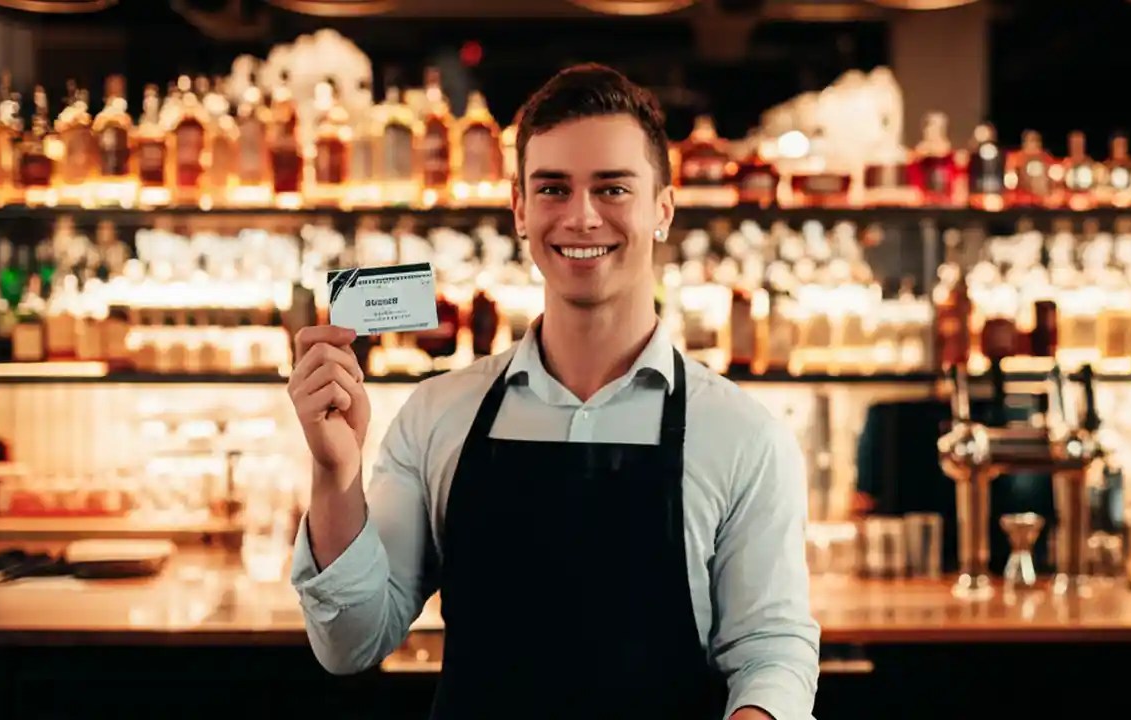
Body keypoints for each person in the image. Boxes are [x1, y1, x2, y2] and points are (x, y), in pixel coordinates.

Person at [286, 63, 820, 720]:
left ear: (663, 209)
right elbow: (351, 642)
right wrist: (335, 472)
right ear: (519, 209)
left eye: (613, 188)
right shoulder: (436, 415)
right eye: (553, 189)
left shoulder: (743, 434)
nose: (582, 216)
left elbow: (771, 650)